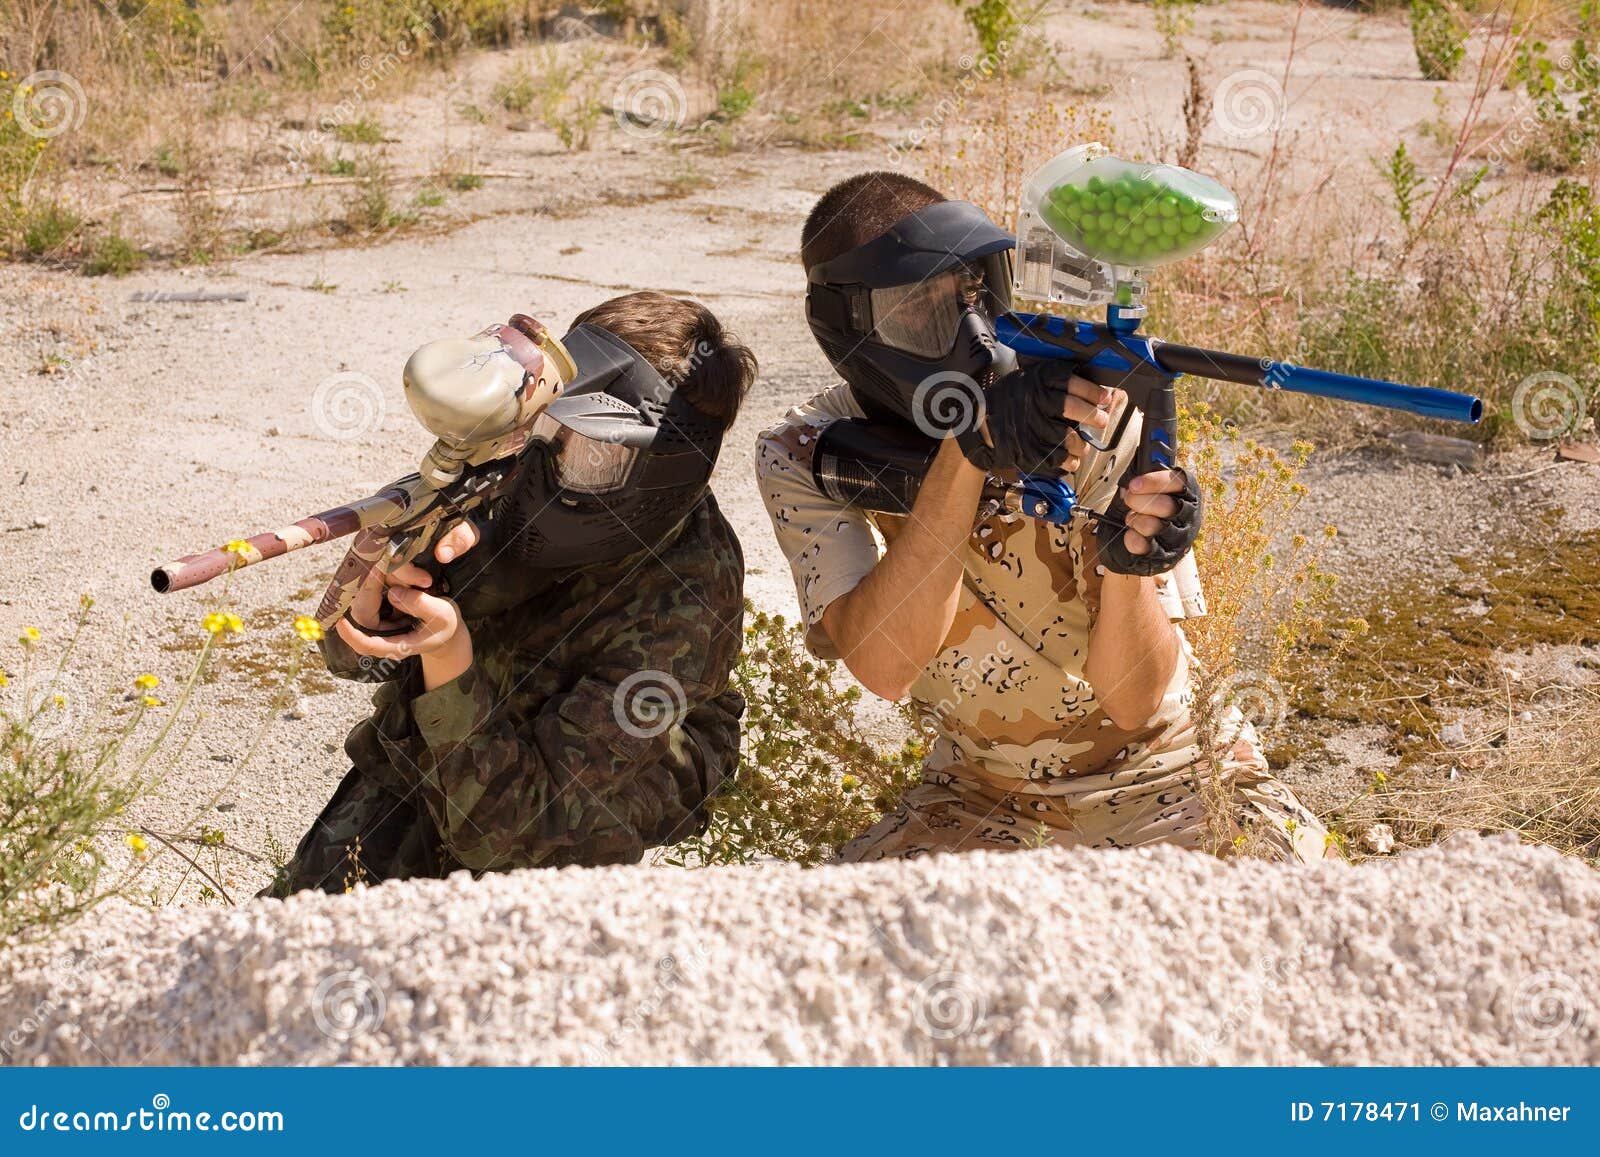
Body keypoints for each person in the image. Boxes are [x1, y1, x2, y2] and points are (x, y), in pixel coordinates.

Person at [755, 171, 1329, 863]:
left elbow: (1136, 701)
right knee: (841, 923)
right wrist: (968, 452)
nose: (971, 335)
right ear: (846, 327)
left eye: (973, 293)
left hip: (1176, 771)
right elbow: (886, 667)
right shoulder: (802, 451)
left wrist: (1127, 566)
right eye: (919, 312)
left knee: (1270, 901)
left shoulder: (1089, 415)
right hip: (979, 794)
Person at [274, 291, 757, 894]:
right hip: (453, 747)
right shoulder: (506, 471)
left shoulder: (685, 600)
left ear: (660, 470)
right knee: (290, 930)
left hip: (575, 804)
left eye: (594, 456)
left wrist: (447, 659)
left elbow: (509, 826)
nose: (550, 461)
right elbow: (348, 656)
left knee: (503, 929)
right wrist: (382, 620)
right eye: (546, 426)